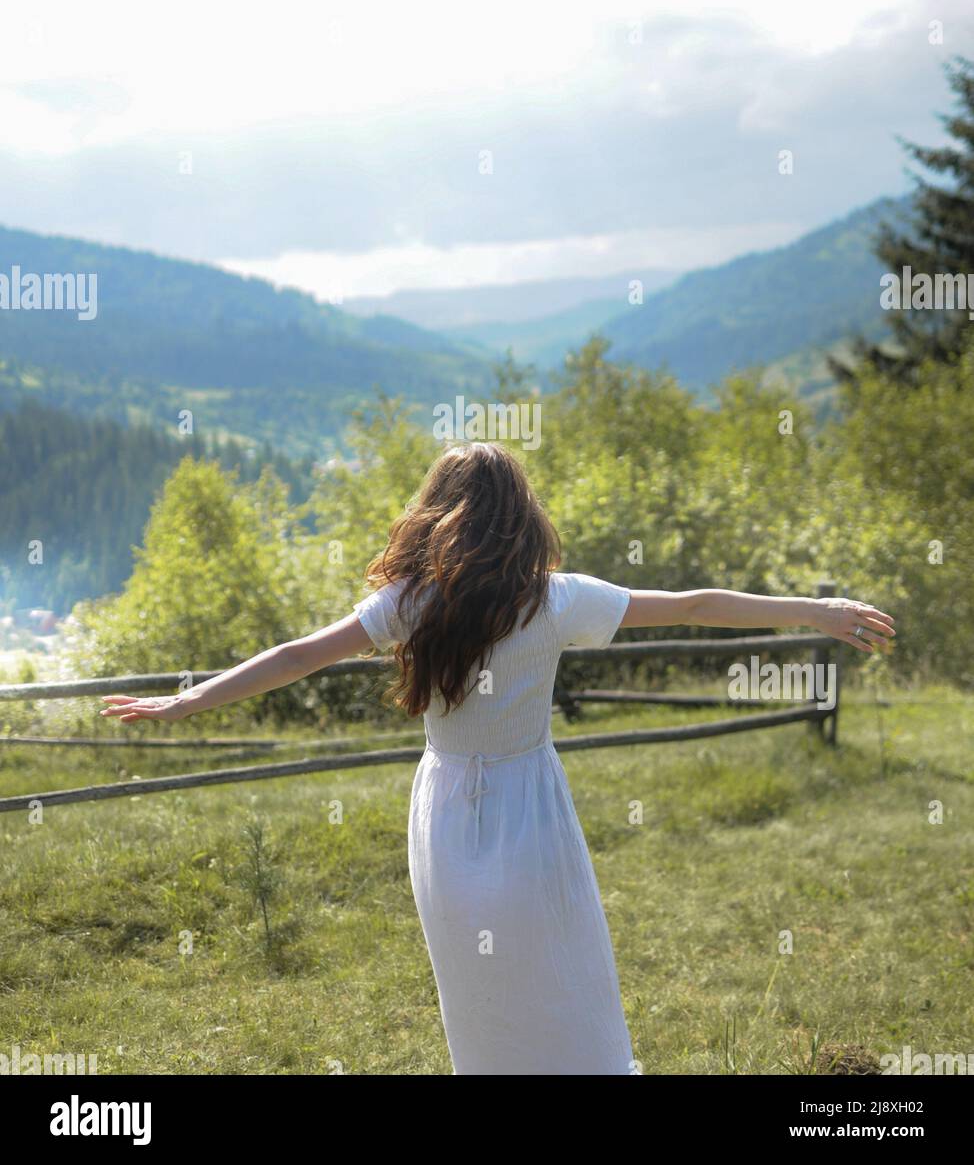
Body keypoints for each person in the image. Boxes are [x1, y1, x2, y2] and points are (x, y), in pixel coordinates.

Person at [101, 440, 895, 1075]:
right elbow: (693, 604)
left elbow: (299, 654)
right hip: (528, 806)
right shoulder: (555, 599)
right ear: (522, 516)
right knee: (561, 963)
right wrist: (815, 612)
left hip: (444, 814)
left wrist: (190, 698)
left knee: (477, 984)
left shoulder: (410, 603)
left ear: (435, 513)